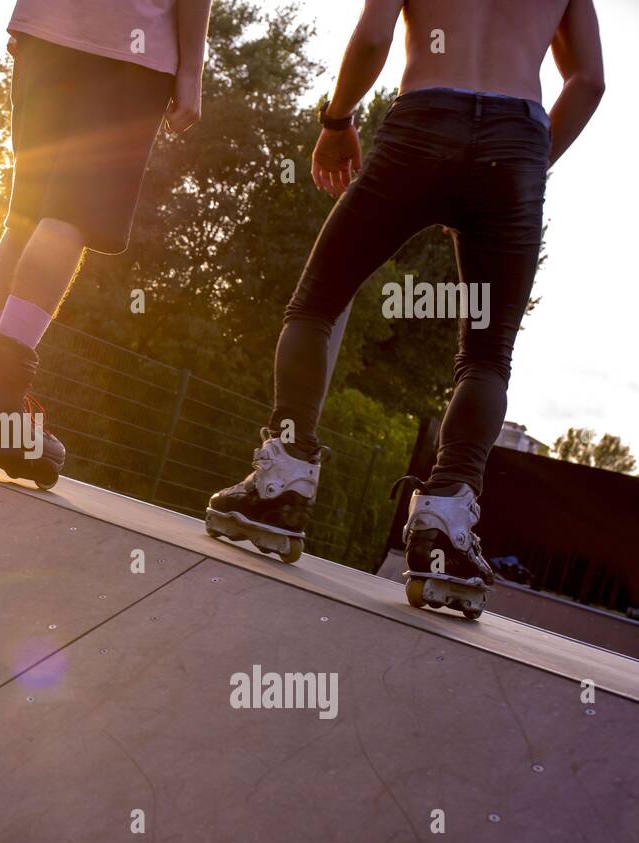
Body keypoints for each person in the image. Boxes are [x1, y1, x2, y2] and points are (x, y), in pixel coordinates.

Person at [205, 0, 604, 591]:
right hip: (517, 138)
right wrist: (520, 167)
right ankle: (445, 520)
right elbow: (590, 81)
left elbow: (372, 38)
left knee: (317, 304)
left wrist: (337, 122)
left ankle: (282, 486)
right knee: (487, 354)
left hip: (425, 122)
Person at [0, 0, 214, 489]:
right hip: (129, 48)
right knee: (67, 218)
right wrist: (191, 72)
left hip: (47, 29)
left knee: (26, 215)